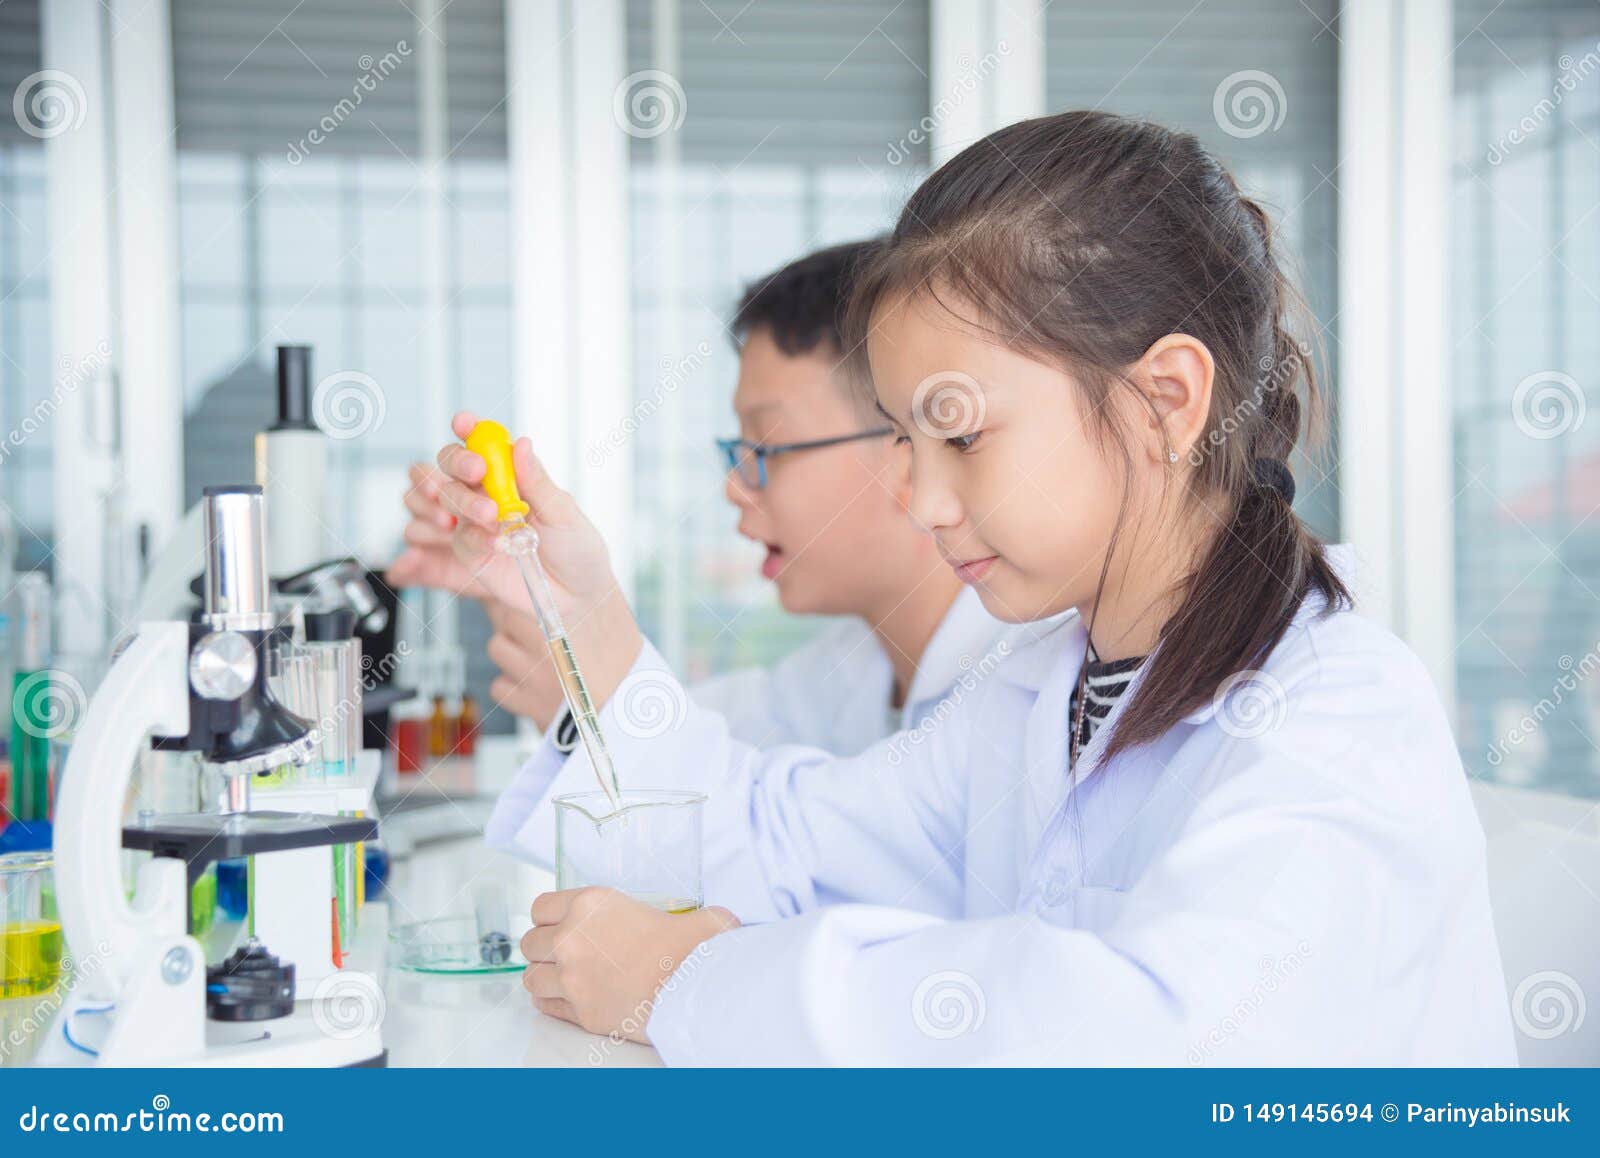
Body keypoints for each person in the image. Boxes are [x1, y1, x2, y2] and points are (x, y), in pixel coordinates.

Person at [431, 111, 1515, 1064]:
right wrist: (583, 617)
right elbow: (781, 849)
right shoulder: (1035, 694)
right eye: (903, 440)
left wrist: (682, 986)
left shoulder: (1339, 715)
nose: (921, 501)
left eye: (959, 434)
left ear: (1167, 402)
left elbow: (1147, 1053)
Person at [387, 240, 1055, 759]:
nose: (736, 486)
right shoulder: (838, 675)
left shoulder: (1034, 683)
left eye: (765, 448)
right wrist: (518, 578)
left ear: (906, 448)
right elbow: (673, 752)